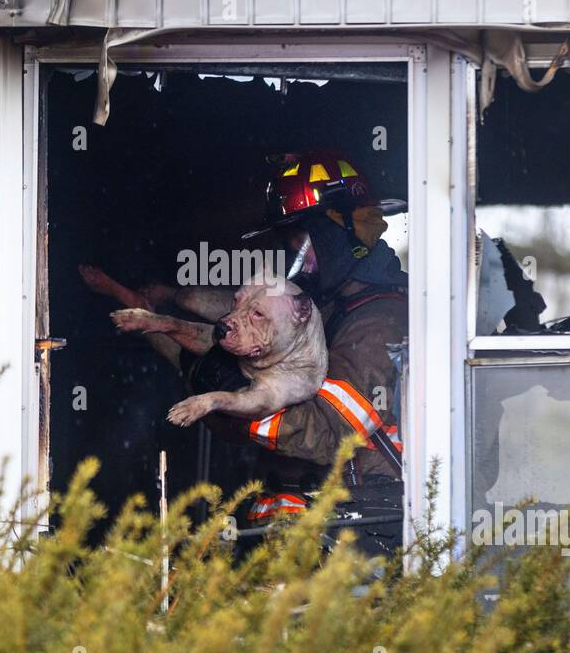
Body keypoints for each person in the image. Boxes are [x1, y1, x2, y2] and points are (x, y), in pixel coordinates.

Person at [150, 151, 409, 557]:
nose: (295, 263)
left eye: (300, 246)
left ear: (340, 233)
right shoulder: (326, 309)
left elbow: (326, 435)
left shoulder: (380, 320)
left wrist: (239, 394)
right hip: (314, 532)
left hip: (365, 537)